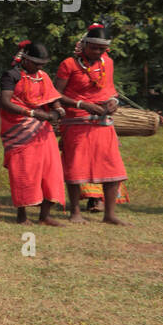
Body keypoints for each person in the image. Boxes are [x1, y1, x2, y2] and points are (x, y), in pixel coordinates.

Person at [56, 24, 128, 226]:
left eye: (101, 49)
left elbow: (111, 90)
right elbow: (56, 94)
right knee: (75, 167)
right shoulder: (69, 64)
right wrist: (82, 104)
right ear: (84, 44)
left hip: (103, 122)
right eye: (94, 47)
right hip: (76, 121)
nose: (97, 52)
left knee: (112, 167)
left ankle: (110, 214)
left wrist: (114, 101)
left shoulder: (108, 63)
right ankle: (75, 212)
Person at [0, 41, 66, 225]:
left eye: (42, 64)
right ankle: (22, 216)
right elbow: (6, 102)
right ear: (25, 59)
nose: (39, 67)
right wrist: (32, 113)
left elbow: (53, 98)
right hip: (19, 129)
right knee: (24, 171)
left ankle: (45, 216)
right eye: (36, 63)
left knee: (50, 171)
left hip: (43, 130)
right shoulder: (11, 75)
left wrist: (58, 110)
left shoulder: (43, 76)